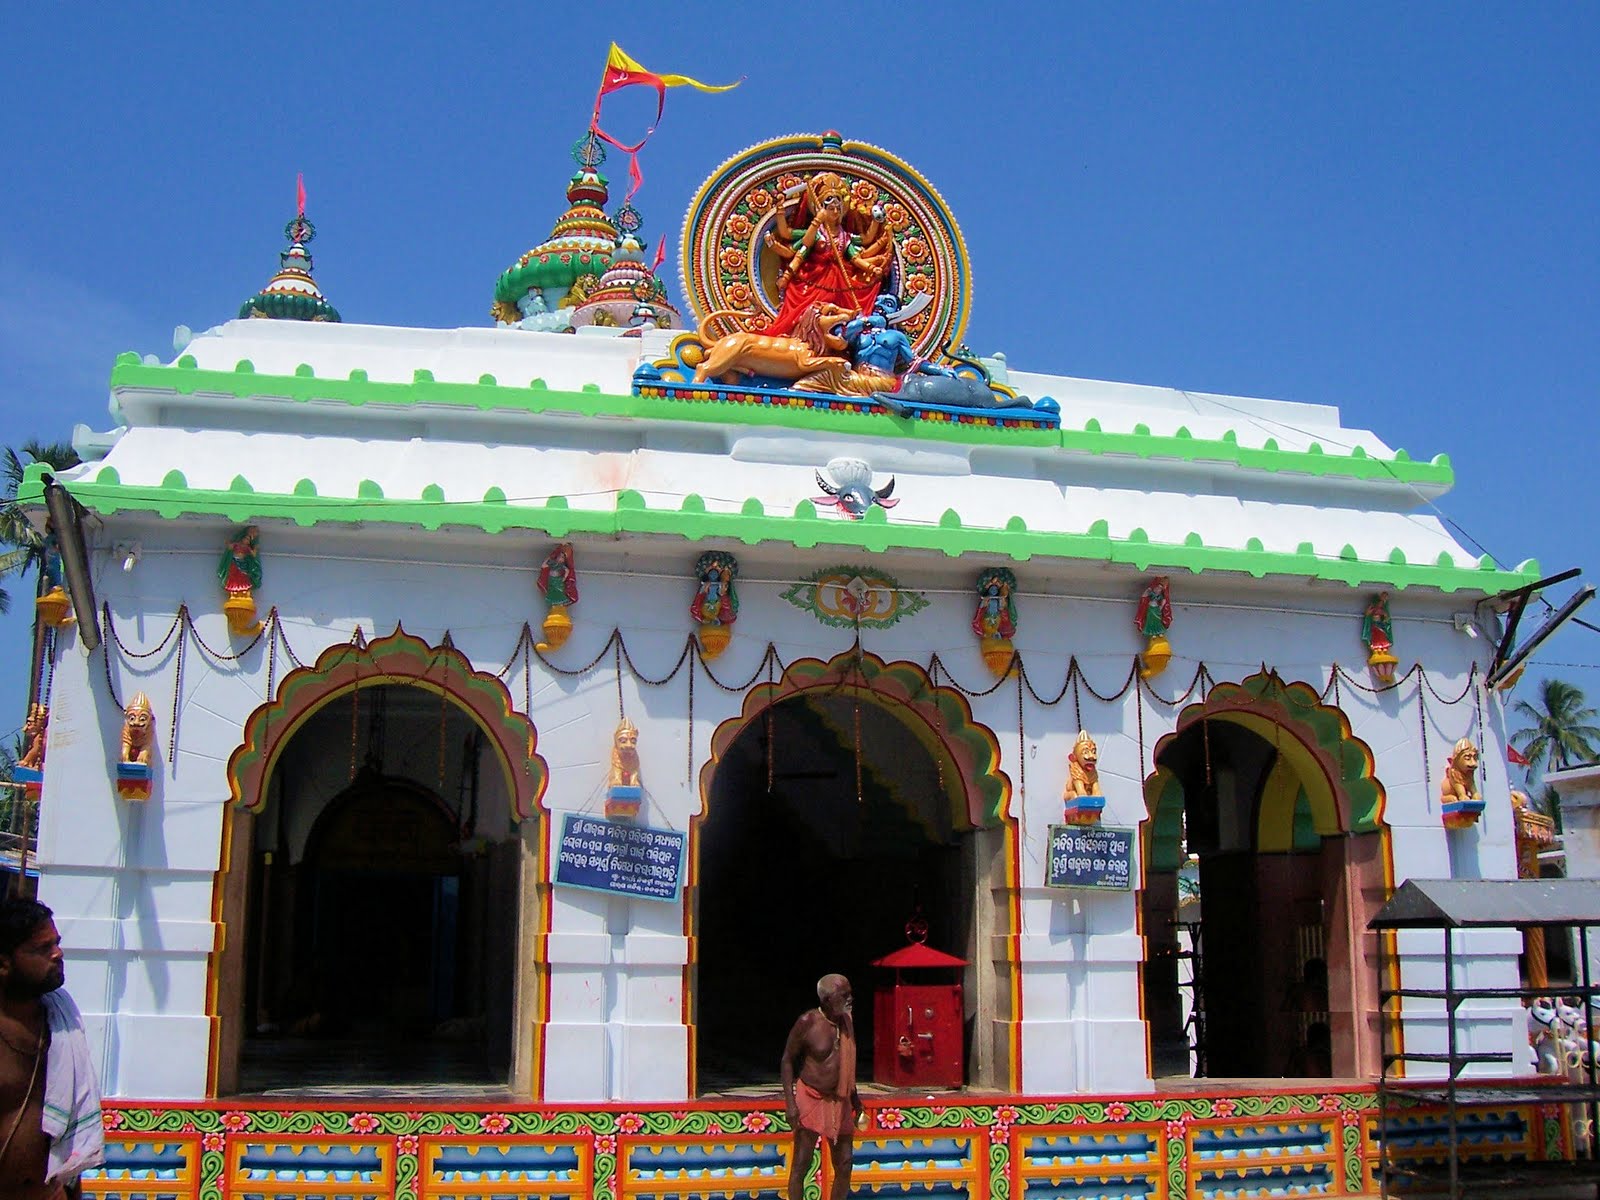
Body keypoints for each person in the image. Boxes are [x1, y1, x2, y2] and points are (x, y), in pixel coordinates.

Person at [0, 899, 103, 1199]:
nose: (57, 954)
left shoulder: (62, 1026)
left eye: (55, 943)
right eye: (41, 949)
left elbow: (66, 1137)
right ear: (4, 963)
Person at [781, 974, 862, 1200]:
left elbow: (847, 1063)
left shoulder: (847, 1021)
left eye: (850, 993)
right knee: (801, 1164)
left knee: (845, 1163)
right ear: (827, 999)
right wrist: (790, 1104)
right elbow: (787, 1060)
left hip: (841, 1099)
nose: (850, 999)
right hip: (812, 1096)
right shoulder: (808, 1022)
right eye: (843, 995)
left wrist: (855, 1100)